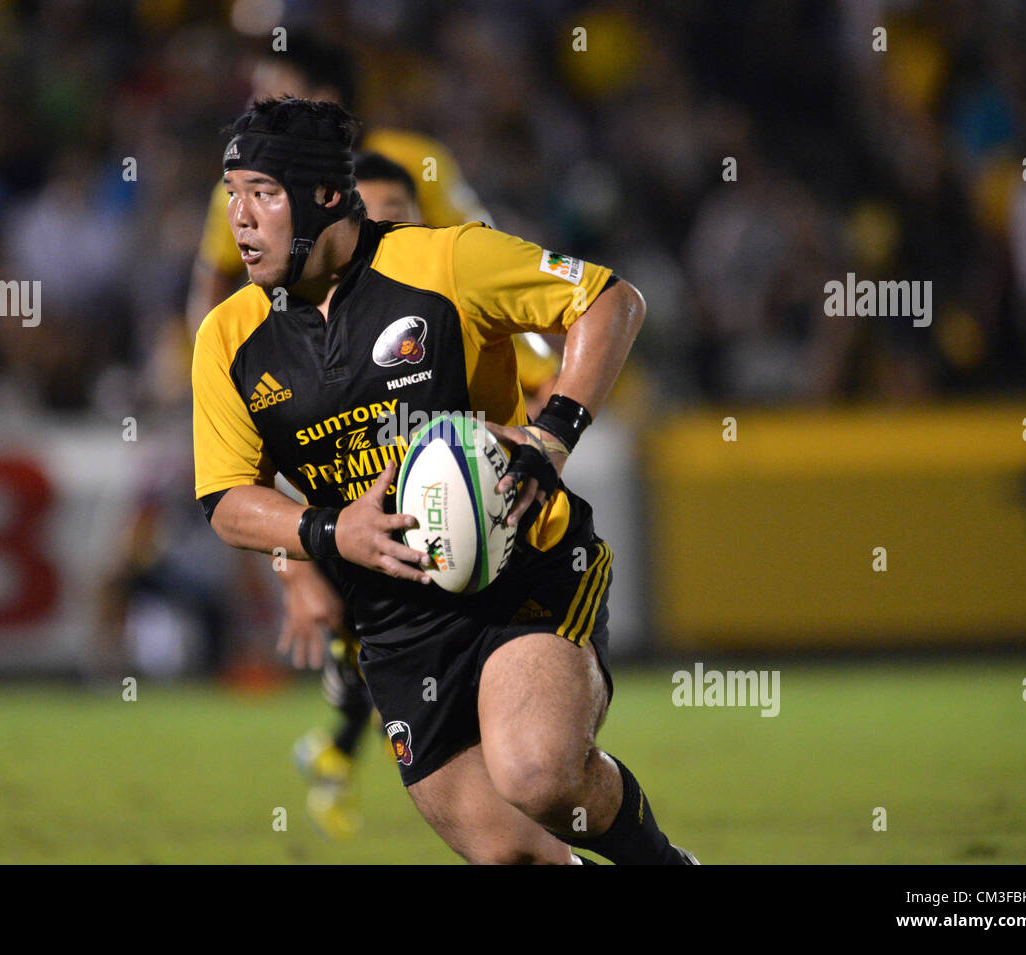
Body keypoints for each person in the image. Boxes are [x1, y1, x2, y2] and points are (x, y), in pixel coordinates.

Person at [193, 96, 695, 864]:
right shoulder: (227, 337)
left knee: (539, 774)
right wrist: (326, 535)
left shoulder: (444, 260)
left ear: (325, 195)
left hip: (516, 572)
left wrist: (551, 435)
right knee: (513, 855)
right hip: (394, 622)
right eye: (232, 196)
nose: (240, 219)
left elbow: (609, 299)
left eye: (262, 192)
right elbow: (226, 501)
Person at [284, 151, 561, 840]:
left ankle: (341, 742)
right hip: (365, 543)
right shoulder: (309, 331)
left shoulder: (449, 297)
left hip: (474, 530)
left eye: (395, 215)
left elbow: (548, 374)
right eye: (365, 215)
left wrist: (532, 445)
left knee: (527, 762)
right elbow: (276, 462)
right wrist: (290, 567)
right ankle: (344, 740)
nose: (379, 227)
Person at [186, 34, 489, 338]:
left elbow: (479, 249)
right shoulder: (239, 190)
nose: (254, 107)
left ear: (324, 101)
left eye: (270, 94)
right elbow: (212, 289)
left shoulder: (416, 161)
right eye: (254, 94)